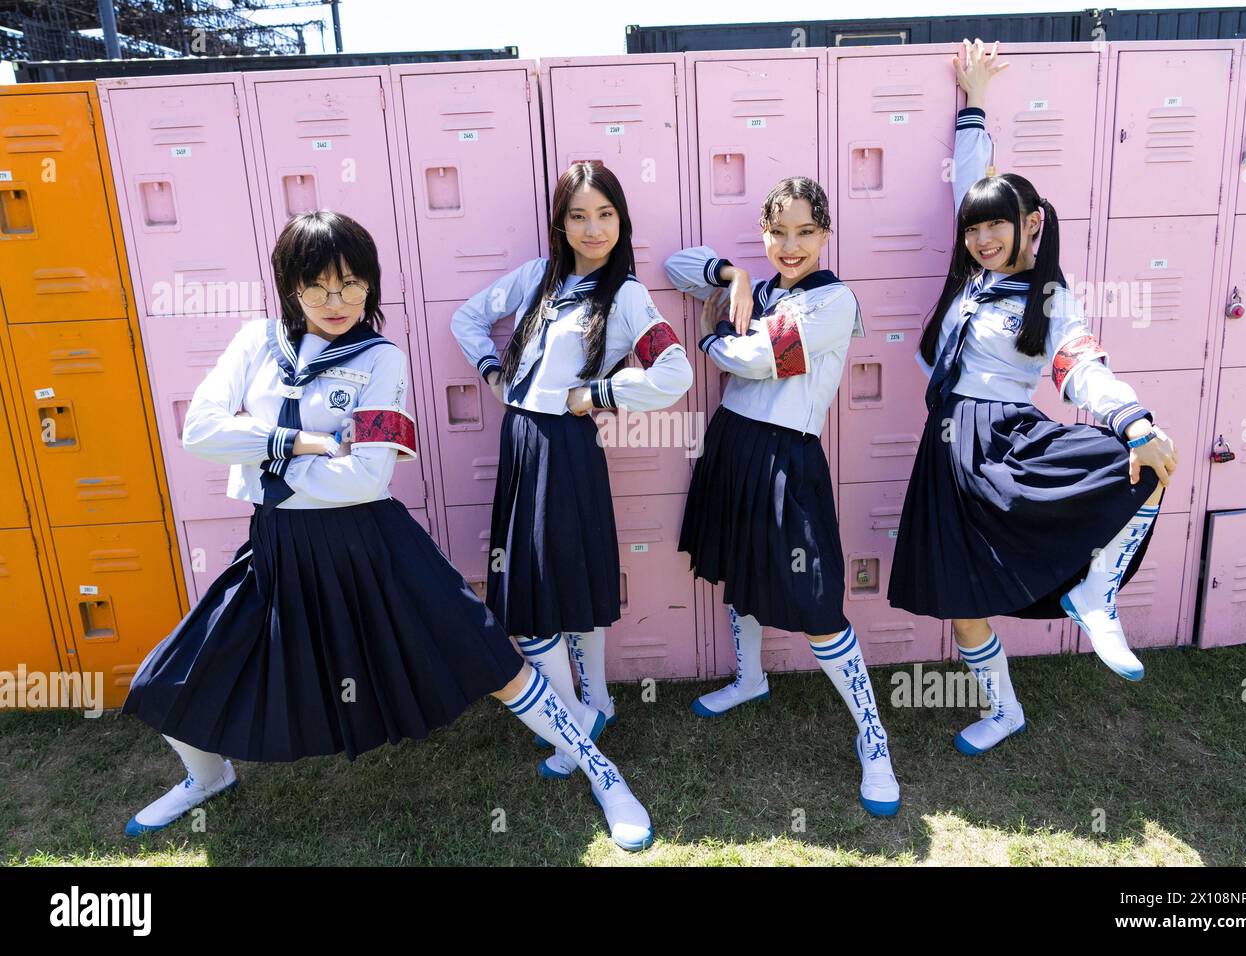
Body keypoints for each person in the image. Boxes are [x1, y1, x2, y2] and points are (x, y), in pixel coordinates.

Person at [121, 210, 653, 852]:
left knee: (494, 659)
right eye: (317, 285)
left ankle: (605, 773)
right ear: (290, 285)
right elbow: (199, 432)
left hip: (372, 545)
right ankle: (207, 778)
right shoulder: (255, 343)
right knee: (164, 681)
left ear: (371, 285)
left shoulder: (381, 359)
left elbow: (367, 480)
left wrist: (261, 454)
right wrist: (308, 441)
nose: (336, 300)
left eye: (351, 284)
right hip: (277, 549)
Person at [888, 40, 1179, 757]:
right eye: (975, 226)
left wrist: (1133, 419)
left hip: (1002, 438)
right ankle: (1004, 710)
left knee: (1142, 463)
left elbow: (1080, 364)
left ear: (1032, 225)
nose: (983, 236)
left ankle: (1096, 591)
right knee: (960, 599)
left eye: (998, 224)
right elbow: (968, 181)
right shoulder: (972, 271)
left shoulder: (1047, 295)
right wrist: (976, 100)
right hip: (946, 442)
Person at [664, 177, 900, 817]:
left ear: (825, 234)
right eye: (777, 233)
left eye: (804, 232)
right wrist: (733, 274)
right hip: (734, 441)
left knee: (819, 603)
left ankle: (873, 739)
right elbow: (674, 266)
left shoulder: (836, 302)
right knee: (739, 568)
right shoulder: (761, 288)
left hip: (788, 453)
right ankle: (750, 678)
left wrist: (713, 341)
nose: (790, 245)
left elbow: (760, 359)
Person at [451, 162, 692, 781]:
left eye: (605, 214)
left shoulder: (628, 294)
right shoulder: (537, 277)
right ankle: (590, 710)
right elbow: (467, 318)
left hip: (568, 446)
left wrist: (600, 394)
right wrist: (494, 373)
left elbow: (675, 374)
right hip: (521, 438)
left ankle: (578, 721)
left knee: (550, 590)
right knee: (552, 584)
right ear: (559, 222)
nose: (593, 228)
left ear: (621, 220)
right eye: (579, 216)